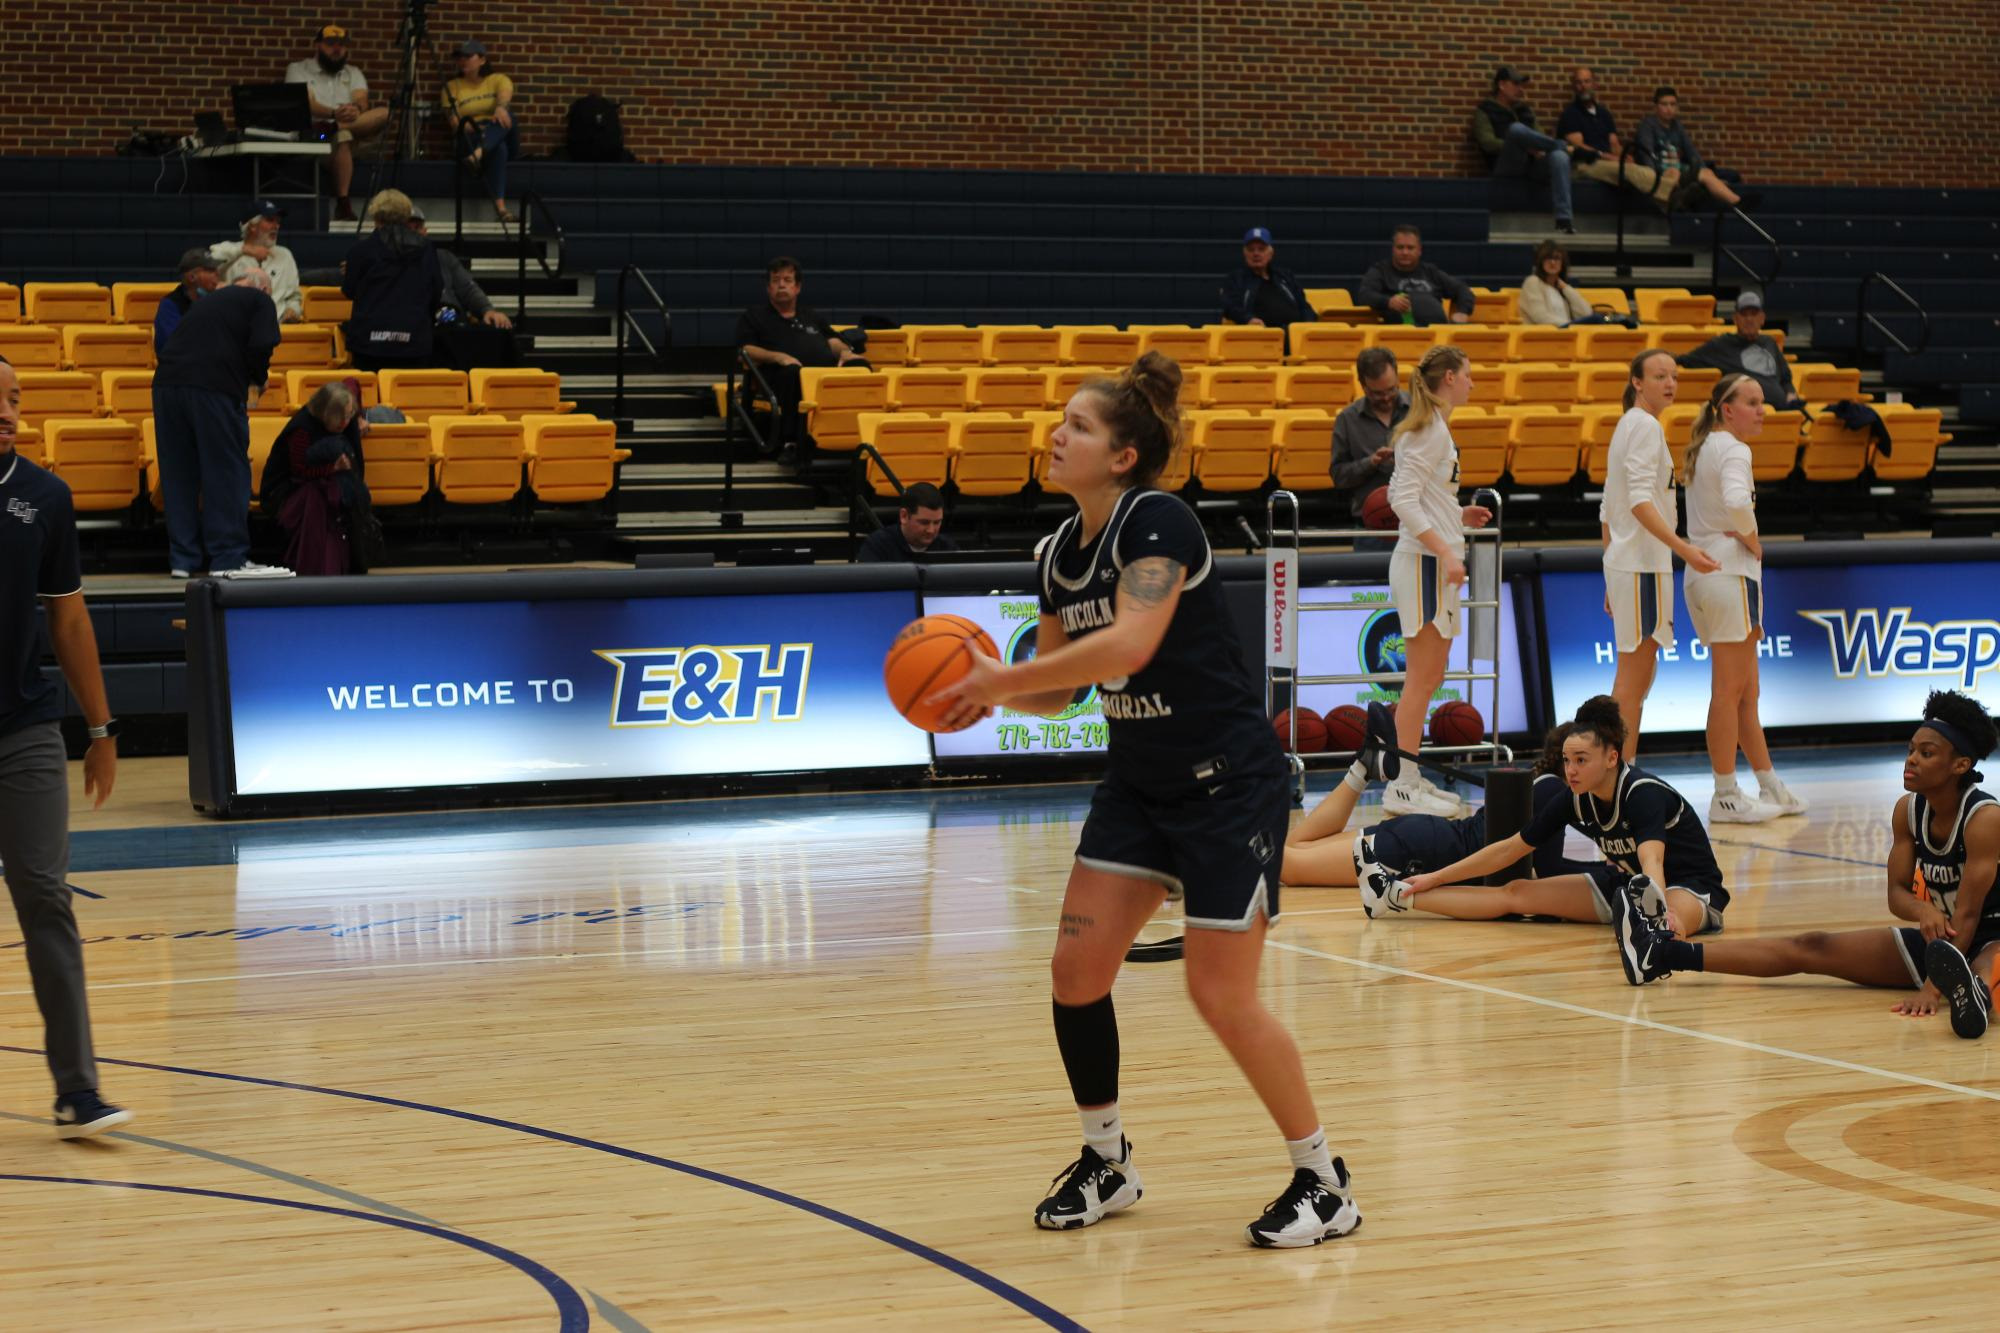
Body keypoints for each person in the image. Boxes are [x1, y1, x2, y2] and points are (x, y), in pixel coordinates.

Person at [928, 353, 1361, 1249]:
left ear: (1123, 456)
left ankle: (1325, 1180)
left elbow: (1127, 646)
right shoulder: (1057, 551)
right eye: (1061, 422)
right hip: (1138, 786)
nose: (1057, 434)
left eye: (1078, 426)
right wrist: (986, 692)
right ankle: (1108, 1158)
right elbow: (1062, 694)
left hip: (1226, 786)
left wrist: (1000, 675)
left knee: (1220, 994)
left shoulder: (1156, 522)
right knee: (1074, 974)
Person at [1616, 691, 1998, 1043]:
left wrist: (1930, 991)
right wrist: (1923, 909)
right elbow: (1896, 895)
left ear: (1960, 764)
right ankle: (1662, 955)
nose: (1912, 759)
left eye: (1926, 754)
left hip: (1987, 934)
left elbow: (1968, 914)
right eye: (1911, 749)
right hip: (1942, 945)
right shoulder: (1908, 811)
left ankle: (1974, 994)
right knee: (1812, 946)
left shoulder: (1983, 818)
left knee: (1989, 964)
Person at [0, 354, 133, 1139]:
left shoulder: (44, 497)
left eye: (14, 397)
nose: (8, 409)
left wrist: (103, 728)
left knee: (46, 898)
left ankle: (77, 1088)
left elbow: (71, 620)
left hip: (23, 729)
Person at [1399, 696, 1730, 960]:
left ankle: (1661, 946)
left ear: (1612, 758)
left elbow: (1652, 863)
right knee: (1517, 892)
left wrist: (1655, 919)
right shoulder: (1574, 797)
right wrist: (1434, 877)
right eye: (1567, 760)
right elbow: (1509, 849)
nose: (1571, 770)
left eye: (1581, 760)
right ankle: (1398, 897)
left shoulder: (1641, 793)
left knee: (1670, 922)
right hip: (1631, 884)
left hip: (1690, 887)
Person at [1680, 372, 1807, 822]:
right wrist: (1753, 539)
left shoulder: (1705, 447)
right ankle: (1725, 794)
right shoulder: (1733, 448)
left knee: (1747, 692)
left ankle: (1770, 785)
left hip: (1704, 574)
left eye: (1762, 401)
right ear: (1726, 409)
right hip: (1727, 572)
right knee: (1730, 690)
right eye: (1752, 402)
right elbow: (1737, 502)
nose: (1762, 409)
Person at [1281, 722, 1601, 898]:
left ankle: (1363, 768)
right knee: (1287, 867)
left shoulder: (1541, 783)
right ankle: (1233, 841)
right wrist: (1612, 875)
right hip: (1417, 852)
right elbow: (1549, 872)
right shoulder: (1553, 792)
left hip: (1423, 837)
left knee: (1294, 848)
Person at [1383, 345, 1492, 817]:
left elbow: (1415, 496)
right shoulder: (1428, 430)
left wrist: (1456, 514)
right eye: (1468, 374)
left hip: (1429, 563)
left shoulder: (1431, 428)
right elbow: (1400, 501)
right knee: (1421, 679)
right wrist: (1447, 549)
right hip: (1424, 564)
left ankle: (1410, 777)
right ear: (1449, 377)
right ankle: (1403, 783)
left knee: (1429, 677)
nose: (1471, 382)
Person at [1601, 348, 1719, 755]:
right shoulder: (1643, 428)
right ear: (1637, 382)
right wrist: (1684, 548)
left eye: (1674, 376)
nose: (1669, 383)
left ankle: (1617, 771)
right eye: (1659, 376)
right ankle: (1614, 775)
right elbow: (1635, 502)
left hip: (1631, 566)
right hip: (1641, 566)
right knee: (1632, 682)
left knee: (1638, 679)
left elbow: (1606, 511)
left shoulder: (1631, 425)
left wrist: (1609, 574)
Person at [151, 271, 289, 580]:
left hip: (166, 386)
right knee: (226, 470)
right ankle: (228, 557)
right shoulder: (259, 300)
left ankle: (183, 560)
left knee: (179, 472)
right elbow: (262, 344)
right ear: (265, 287)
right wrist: (257, 378)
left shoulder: (207, 303)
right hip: (212, 387)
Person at [736, 257, 865, 458]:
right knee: (793, 373)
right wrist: (778, 356)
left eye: (787, 280)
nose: (781, 285)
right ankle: (791, 442)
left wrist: (845, 352)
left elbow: (831, 340)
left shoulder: (811, 316)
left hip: (822, 376)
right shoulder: (754, 316)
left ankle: (855, 436)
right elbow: (745, 350)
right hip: (779, 375)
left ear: (797, 287)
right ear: (768, 288)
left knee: (860, 365)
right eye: (776, 280)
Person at [263, 379, 374, 576]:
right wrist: (333, 468)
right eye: (339, 417)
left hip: (322, 482)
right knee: (321, 496)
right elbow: (298, 472)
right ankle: (316, 566)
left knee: (339, 493)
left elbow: (352, 384)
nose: (344, 423)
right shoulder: (301, 430)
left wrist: (359, 416)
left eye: (348, 416)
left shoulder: (345, 419)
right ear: (324, 413)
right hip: (285, 490)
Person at [284, 23, 388, 221]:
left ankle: (336, 127)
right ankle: (343, 202)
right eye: (331, 43)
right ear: (318, 45)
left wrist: (355, 109)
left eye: (341, 44)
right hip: (317, 136)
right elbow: (307, 103)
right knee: (342, 136)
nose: (337, 49)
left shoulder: (353, 72)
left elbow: (361, 99)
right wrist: (333, 111)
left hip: (346, 131)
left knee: (383, 113)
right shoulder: (298, 69)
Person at [341, 189, 442, 373]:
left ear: (376, 215)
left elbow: (349, 290)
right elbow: (436, 292)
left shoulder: (360, 251)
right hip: (414, 342)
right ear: (406, 215)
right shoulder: (427, 249)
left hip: (369, 344)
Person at [409, 207, 520, 370]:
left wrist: (488, 310)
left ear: (425, 231)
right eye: (408, 228)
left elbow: (468, 289)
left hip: (452, 323)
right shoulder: (394, 262)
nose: (414, 233)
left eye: (417, 228)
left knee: (500, 334)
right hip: (422, 326)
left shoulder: (444, 257)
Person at [1470, 66, 1574, 234]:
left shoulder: (1525, 110)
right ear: (1502, 85)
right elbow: (1487, 142)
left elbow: (1539, 136)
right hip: (1506, 164)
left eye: (1521, 85)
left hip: (1533, 166)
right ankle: (1559, 144)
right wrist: (1523, 146)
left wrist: (1539, 148)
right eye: (1516, 84)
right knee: (1516, 129)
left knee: (1559, 157)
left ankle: (1564, 219)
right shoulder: (1485, 110)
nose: (1520, 89)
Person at [1556, 67, 1671, 205]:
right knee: (1630, 171)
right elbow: (1579, 147)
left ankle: (1672, 198)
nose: (1583, 86)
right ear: (1574, 87)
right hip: (1584, 164)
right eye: (1579, 83)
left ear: (1594, 84)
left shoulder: (1603, 113)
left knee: (1640, 168)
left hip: (1606, 161)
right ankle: (1675, 195)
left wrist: (1624, 156)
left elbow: (1614, 144)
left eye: (1587, 81)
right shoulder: (1571, 114)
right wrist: (1609, 157)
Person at [1330, 347, 1404, 553]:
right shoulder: (1347, 420)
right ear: (1363, 386)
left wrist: (1410, 459)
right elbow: (1339, 476)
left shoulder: (1421, 411)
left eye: (1391, 389)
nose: (1386, 397)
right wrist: (1370, 463)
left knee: (1421, 585)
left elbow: (1450, 458)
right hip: (1371, 531)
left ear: (1397, 377)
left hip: (1419, 527)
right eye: (1377, 393)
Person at [1678, 291, 1802, 410]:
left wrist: (1790, 394)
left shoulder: (1769, 342)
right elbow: (1686, 359)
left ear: (1762, 318)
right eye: (1744, 314)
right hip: (1749, 413)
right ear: (1735, 319)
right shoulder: (1721, 345)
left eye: (1753, 314)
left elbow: (1785, 378)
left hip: (1781, 412)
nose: (1749, 319)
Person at [441, 39, 518, 224]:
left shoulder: (498, 79)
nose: (463, 61)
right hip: (470, 136)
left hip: (496, 128)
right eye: (460, 57)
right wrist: (481, 129)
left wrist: (500, 108)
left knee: (509, 116)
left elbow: (505, 96)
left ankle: (478, 153)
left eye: (468, 56)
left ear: (482, 60)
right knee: (499, 149)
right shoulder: (451, 87)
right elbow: (455, 123)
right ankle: (501, 209)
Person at [1634, 87, 1743, 210]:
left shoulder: (1677, 126)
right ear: (1656, 107)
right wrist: (1653, 177)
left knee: (1707, 172)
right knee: (1673, 173)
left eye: (1672, 104)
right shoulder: (1648, 125)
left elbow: (1691, 151)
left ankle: (1737, 203)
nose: (1669, 108)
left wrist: (1703, 168)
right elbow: (1646, 154)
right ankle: (1674, 205)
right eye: (1664, 104)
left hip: (1679, 170)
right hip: (1661, 172)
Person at [1357, 226, 1474, 327]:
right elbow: (1365, 294)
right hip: (1400, 335)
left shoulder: (1430, 271)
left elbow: (1462, 289)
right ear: (1393, 249)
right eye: (1400, 247)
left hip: (1438, 334)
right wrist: (1388, 302)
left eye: (1410, 248)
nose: (1405, 252)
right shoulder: (1380, 271)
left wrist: (1463, 312)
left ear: (1419, 250)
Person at [210, 200, 303, 324]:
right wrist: (244, 250)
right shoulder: (229, 251)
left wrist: (293, 309)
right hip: (237, 326)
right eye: (270, 220)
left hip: (277, 327)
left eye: (278, 221)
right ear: (252, 226)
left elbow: (294, 297)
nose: (276, 226)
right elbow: (207, 263)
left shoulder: (285, 255)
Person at [1219, 227, 1316, 336]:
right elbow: (1230, 306)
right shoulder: (1236, 278)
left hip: (1295, 336)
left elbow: (1303, 305)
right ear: (1245, 254)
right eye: (1251, 250)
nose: (1256, 254)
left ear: (1270, 253)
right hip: (1261, 337)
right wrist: (1248, 319)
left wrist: (1308, 324)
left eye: (1261, 249)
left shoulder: (1285, 276)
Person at [1519, 240, 1631, 327]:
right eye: (1548, 258)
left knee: (1608, 322)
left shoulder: (1561, 289)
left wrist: (1567, 289)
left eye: (1557, 258)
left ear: (1562, 263)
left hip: (1568, 335)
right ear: (1540, 262)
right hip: (1546, 334)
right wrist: (1568, 325)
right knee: (1597, 319)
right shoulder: (1533, 282)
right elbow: (1540, 316)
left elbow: (1586, 313)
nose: (1553, 262)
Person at [855, 481, 959, 563]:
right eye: (924, 522)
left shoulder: (948, 547)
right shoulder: (878, 545)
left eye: (937, 523)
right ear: (904, 516)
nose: (931, 530)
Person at [154, 248, 222, 351]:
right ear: (192, 277)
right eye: (210, 270)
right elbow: (173, 347)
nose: (217, 273)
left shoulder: (219, 302)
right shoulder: (170, 306)